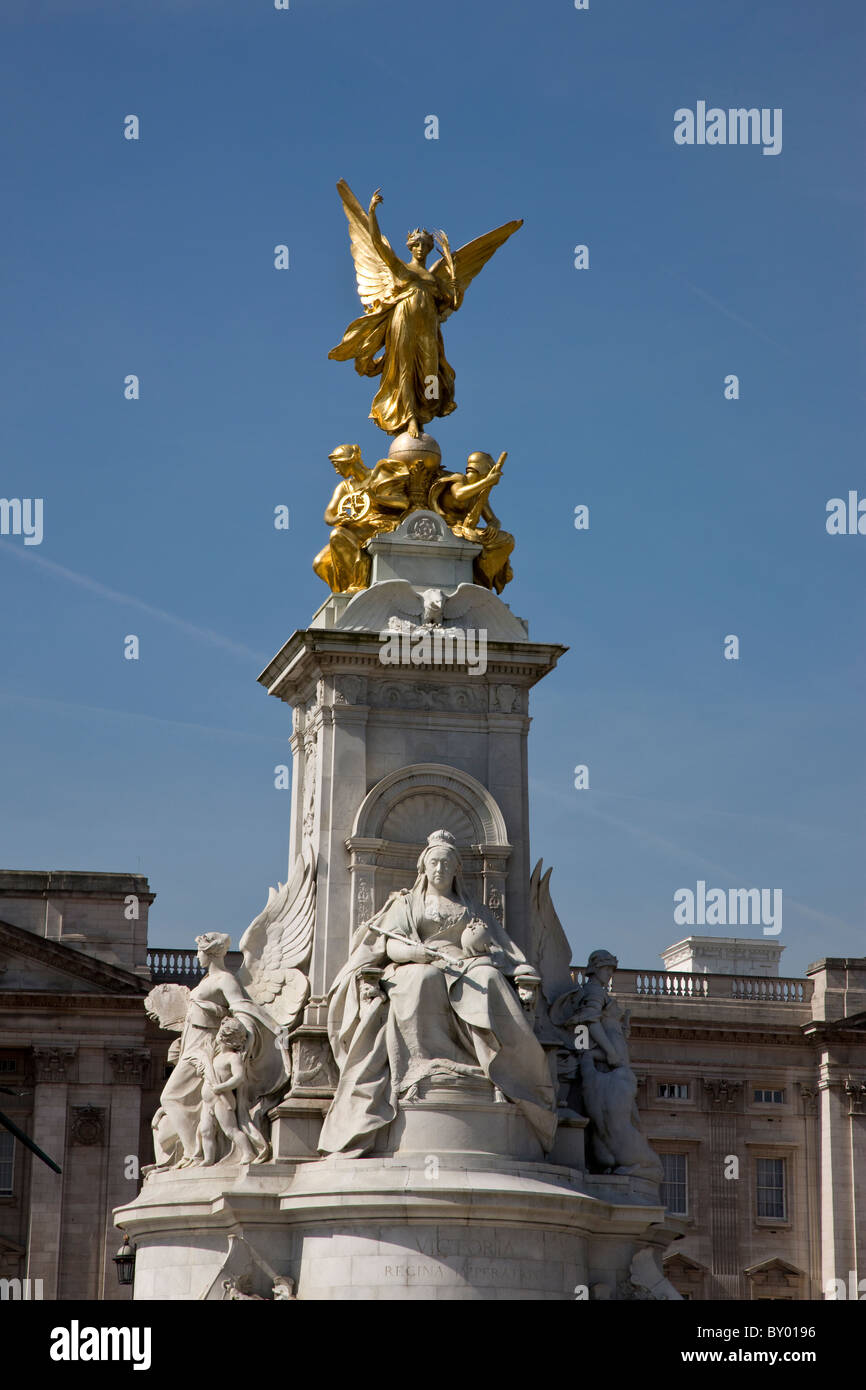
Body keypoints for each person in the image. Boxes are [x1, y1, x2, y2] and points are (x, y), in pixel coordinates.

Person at [319, 830, 556, 1156]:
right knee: (423, 978)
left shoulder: (471, 908)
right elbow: (389, 943)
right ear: (424, 867)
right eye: (434, 862)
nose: (440, 868)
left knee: (488, 978)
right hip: (417, 964)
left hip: (466, 966)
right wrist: (415, 954)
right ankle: (423, 1067)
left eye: (446, 862)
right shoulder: (406, 903)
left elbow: (502, 950)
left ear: (457, 868)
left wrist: (482, 948)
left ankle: (504, 1071)